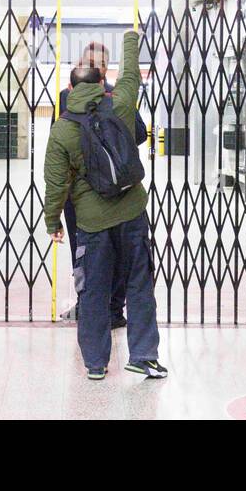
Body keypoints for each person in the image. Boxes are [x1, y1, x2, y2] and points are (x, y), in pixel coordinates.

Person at [44, 29, 166, 380]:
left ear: (70, 87)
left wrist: (53, 221)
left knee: (93, 290)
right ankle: (143, 355)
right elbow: (131, 75)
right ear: (102, 80)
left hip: (92, 223)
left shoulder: (62, 129)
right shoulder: (122, 104)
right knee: (139, 283)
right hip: (131, 213)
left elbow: (55, 183)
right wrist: (131, 38)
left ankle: (96, 364)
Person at [57, 41, 148, 328]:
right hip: (80, 192)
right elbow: (57, 139)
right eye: (88, 62)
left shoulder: (117, 95)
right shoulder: (65, 95)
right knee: (82, 251)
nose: (93, 68)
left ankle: (113, 310)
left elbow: (140, 132)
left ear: (107, 68)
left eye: (98, 63)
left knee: (118, 253)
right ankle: (87, 305)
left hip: (113, 188)